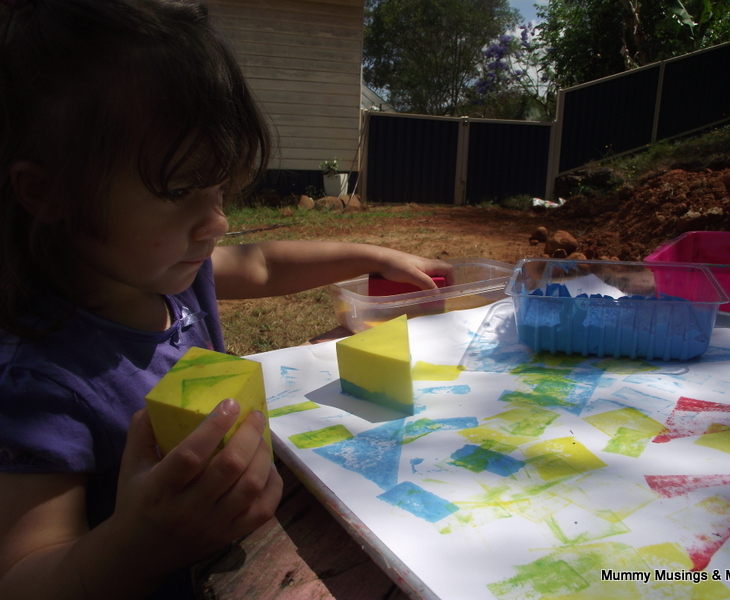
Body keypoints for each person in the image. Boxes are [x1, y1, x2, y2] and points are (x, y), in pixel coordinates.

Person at [0, 1, 453, 598]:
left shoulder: (173, 275)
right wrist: (137, 544)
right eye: (179, 190)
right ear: (49, 192)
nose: (217, 222)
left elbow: (263, 264)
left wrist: (373, 256)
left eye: (220, 189)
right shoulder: (38, 384)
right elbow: (22, 574)